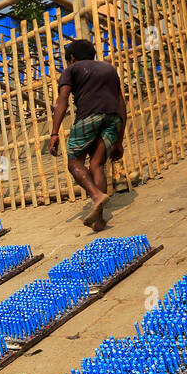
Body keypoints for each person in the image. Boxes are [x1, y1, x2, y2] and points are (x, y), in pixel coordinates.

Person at [48, 39, 128, 231]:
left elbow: (62, 101)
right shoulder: (108, 69)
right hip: (113, 117)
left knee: (74, 163)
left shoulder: (72, 69)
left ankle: (96, 195)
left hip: (89, 117)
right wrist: (119, 139)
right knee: (97, 165)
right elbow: (121, 102)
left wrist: (54, 133)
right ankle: (99, 220)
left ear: (72, 58)